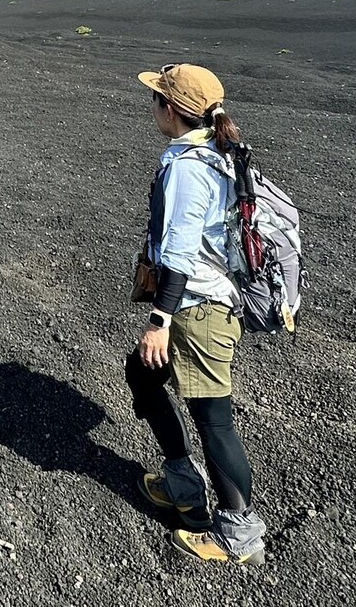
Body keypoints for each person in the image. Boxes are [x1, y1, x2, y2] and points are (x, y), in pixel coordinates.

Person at [125, 62, 268, 565]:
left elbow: (181, 253)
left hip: (198, 309)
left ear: (171, 110)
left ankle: (240, 534)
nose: (152, 106)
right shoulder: (219, 151)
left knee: (214, 420)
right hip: (205, 301)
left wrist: (159, 321)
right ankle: (183, 483)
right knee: (141, 375)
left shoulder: (188, 167)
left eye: (156, 98)